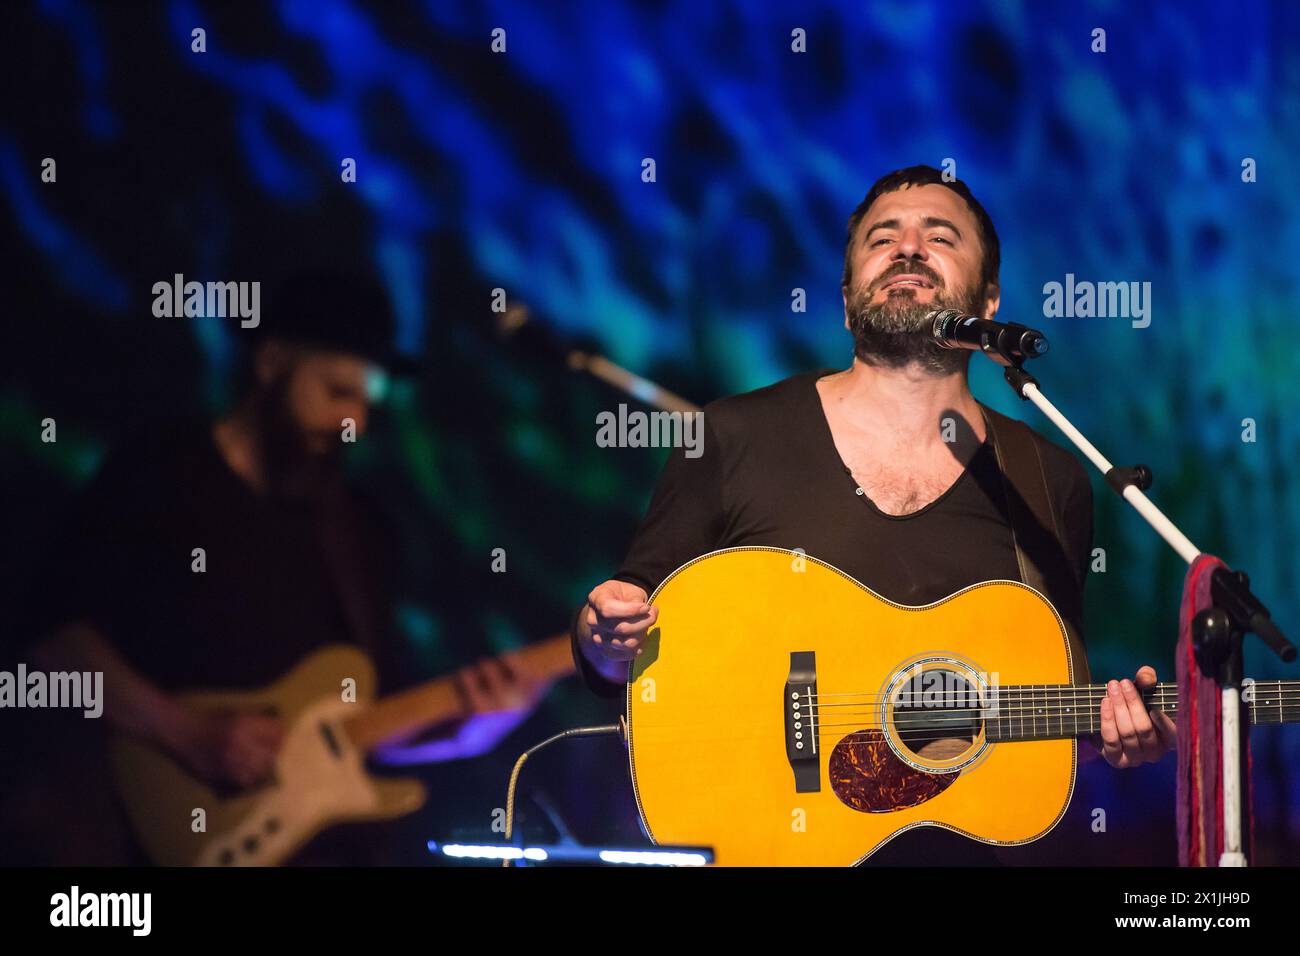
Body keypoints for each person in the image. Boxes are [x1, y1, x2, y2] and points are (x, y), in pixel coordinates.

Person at [572, 166, 1177, 865]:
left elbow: (1042, 712)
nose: (908, 249)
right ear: (847, 295)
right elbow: (624, 641)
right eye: (881, 239)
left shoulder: (1050, 476)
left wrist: (1116, 735)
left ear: (989, 297)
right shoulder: (730, 436)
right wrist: (601, 638)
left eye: (939, 236)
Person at [20, 269, 550, 865]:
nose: (355, 422)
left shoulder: (360, 529)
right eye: (337, 391)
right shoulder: (160, 470)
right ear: (271, 363)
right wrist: (187, 734)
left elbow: (352, 734)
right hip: (129, 837)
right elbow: (54, 641)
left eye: (368, 403)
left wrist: (461, 734)